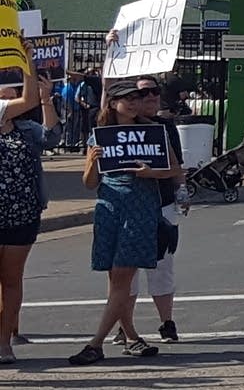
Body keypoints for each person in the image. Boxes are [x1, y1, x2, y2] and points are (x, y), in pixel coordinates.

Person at [70, 76, 178, 366]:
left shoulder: (153, 132)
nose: (133, 102)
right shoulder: (101, 135)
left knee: (122, 279)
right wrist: (92, 162)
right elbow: (90, 183)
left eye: (136, 98)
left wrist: (150, 173)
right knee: (115, 278)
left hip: (140, 211)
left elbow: (173, 170)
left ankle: (95, 344)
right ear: (114, 103)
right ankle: (131, 337)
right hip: (110, 209)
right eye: (127, 98)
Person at [121, 77, 185, 346]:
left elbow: (177, 166)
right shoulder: (116, 128)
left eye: (154, 92)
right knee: (125, 271)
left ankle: (166, 322)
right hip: (126, 206)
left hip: (161, 203)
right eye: (142, 92)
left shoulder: (166, 127)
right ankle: (124, 324)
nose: (149, 97)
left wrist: (181, 191)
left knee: (162, 266)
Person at [0, 68, 51, 364]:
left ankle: (4, 341)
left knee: (11, 279)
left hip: (21, 213)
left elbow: (30, 99)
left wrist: (28, 62)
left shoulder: (23, 129)